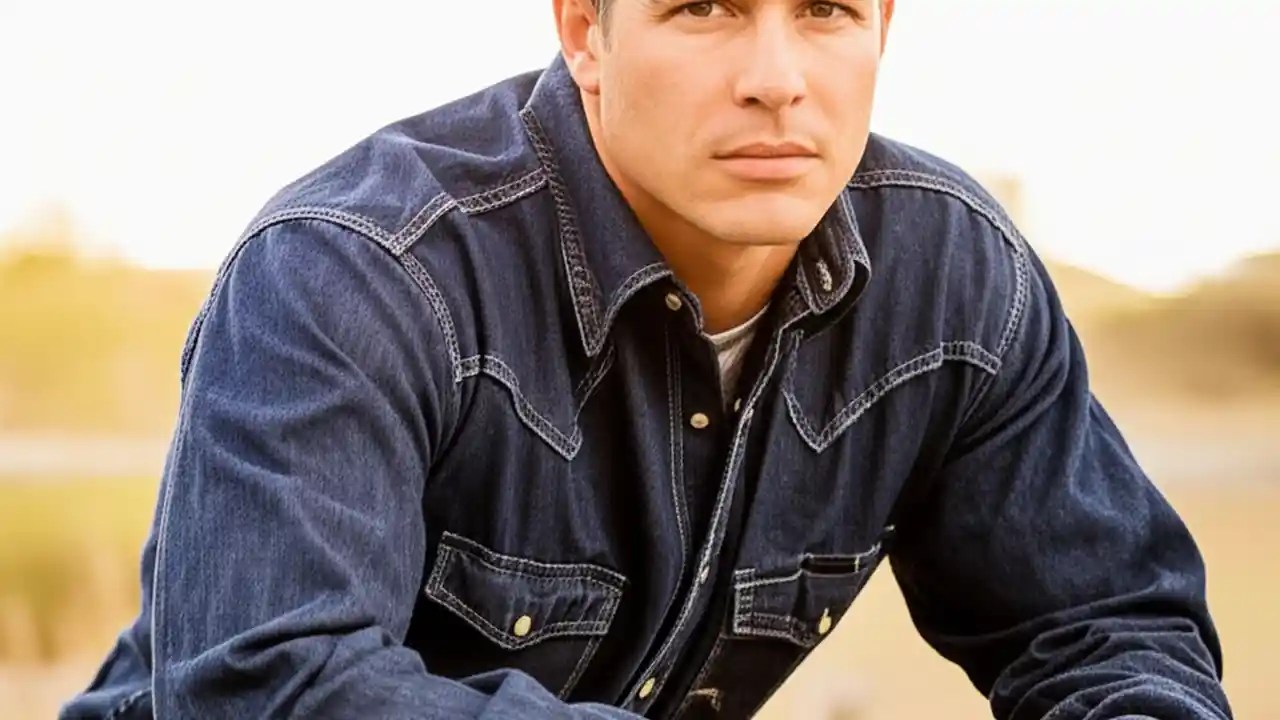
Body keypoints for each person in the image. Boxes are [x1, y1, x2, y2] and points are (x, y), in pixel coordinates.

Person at [62, 1, 1233, 718]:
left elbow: (1104, 632)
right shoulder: (354, 271)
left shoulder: (955, 283)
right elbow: (269, 691)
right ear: (585, 31)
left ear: (883, 26)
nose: (774, 77)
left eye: (824, 10)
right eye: (704, 8)